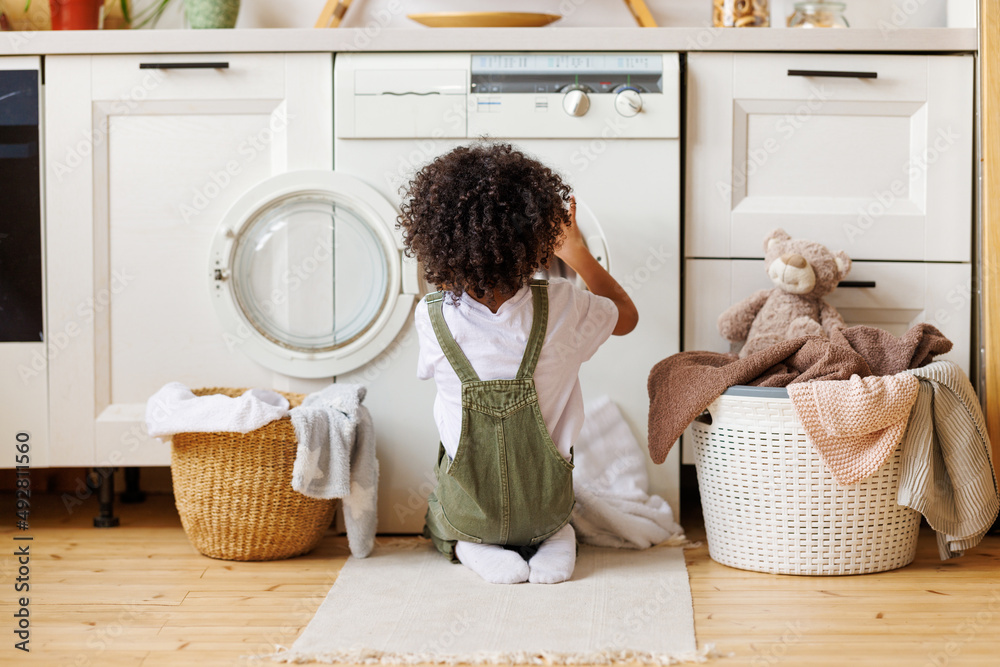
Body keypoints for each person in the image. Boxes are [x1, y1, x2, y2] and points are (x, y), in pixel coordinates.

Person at [399, 142, 638, 584]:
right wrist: (576, 250)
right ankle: (555, 536)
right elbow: (626, 316)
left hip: (471, 507)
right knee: (548, 484)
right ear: (537, 243)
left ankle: (471, 543)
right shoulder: (567, 306)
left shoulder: (432, 317)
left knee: (443, 493)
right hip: (544, 503)